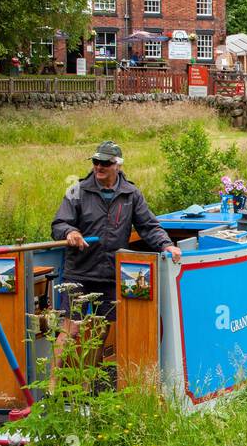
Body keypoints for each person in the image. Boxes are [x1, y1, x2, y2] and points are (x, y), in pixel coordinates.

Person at [50, 140, 181, 353]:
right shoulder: (77, 191)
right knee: (70, 330)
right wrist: (70, 232)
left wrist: (166, 245)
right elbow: (59, 223)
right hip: (79, 271)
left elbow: (148, 226)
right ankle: (53, 385)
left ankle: (92, 380)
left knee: (106, 331)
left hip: (112, 273)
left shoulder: (131, 194)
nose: (99, 167)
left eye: (105, 163)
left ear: (118, 165)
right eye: (96, 161)